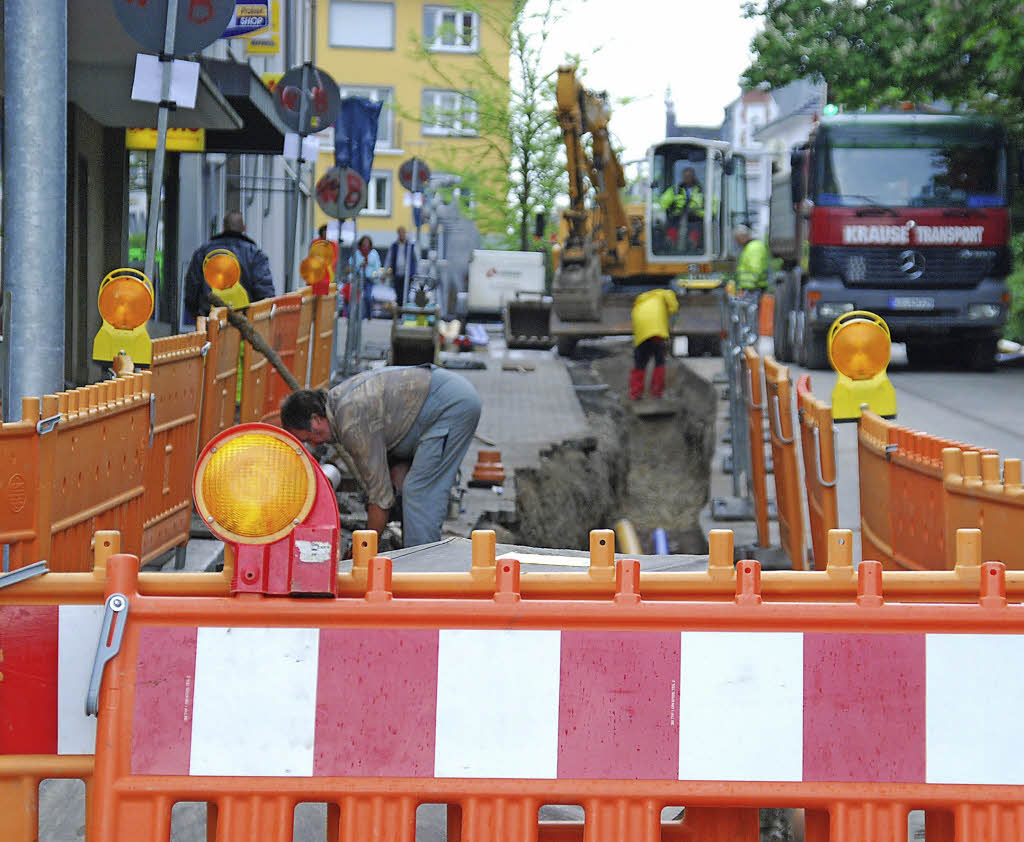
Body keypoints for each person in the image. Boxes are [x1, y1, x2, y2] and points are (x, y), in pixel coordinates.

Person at [281, 366, 482, 547]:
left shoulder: (351, 423)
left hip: (449, 406)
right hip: (438, 397)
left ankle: (422, 568)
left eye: (308, 438)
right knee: (401, 482)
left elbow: (380, 499)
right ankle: (413, 553)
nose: (314, 445)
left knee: (419, 492)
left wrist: (363, 549)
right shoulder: (338, 403)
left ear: (316, 419)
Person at [184, 211, 275, 321]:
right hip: (245, 322)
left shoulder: (203, 252)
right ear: (244, 228)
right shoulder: (255, 254)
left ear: (223, 227)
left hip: (211, 320)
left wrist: (198, 315)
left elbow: (192, 289)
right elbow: (265, 293)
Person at [629, 288, 678, 400]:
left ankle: (635, 393)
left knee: (639, 363)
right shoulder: (666, 294)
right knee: (659, 361)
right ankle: (657, 392)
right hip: (657, 332)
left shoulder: (640, 301)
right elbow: (673, 308)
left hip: (641, 333)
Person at [658, 167, 704, 253]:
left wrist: (698, 212)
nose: (687, 179)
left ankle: (693, 246)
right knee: (670, 231)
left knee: (694, 232)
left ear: (694, 177)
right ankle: (670, 245)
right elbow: (662, 203)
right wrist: (670, 208)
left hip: (696, 219)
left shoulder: (703, 191)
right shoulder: (675, 190)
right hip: (677, 218)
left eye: (689, 176)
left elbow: (712, 208)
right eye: (685, 177)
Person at [383, 226, 417, 310]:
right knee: (398, 294)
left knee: (406, 293)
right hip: (397, 274)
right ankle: (399, 312)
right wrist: (385, 273)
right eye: (400, 233)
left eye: (403, 233)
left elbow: (416, 260)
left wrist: (416, 273)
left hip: (408, 274)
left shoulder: (410, 246)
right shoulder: (394, 246)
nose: (402, 235)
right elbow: (389, 259)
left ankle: (405, 310)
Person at [349, 235, 382, 319]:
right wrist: (359, 266)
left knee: (368, 296)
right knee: (356, 297)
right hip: (358, 278)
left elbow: (377, 266)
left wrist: (377, 275)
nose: (365, 244)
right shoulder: (357, 253)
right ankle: (355, 314)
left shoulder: (373, 253)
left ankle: (368, 314)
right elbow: (351, 264)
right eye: (364, 242)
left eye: (367, 242)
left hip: (369, 279)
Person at [734, 225, 770, 294]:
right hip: (752, 288)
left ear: (743, 237)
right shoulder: (752, 246)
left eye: (737, 239)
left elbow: (756, 268)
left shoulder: (754, 247)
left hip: (753, 289)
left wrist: (751, 285)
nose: (737, 242)